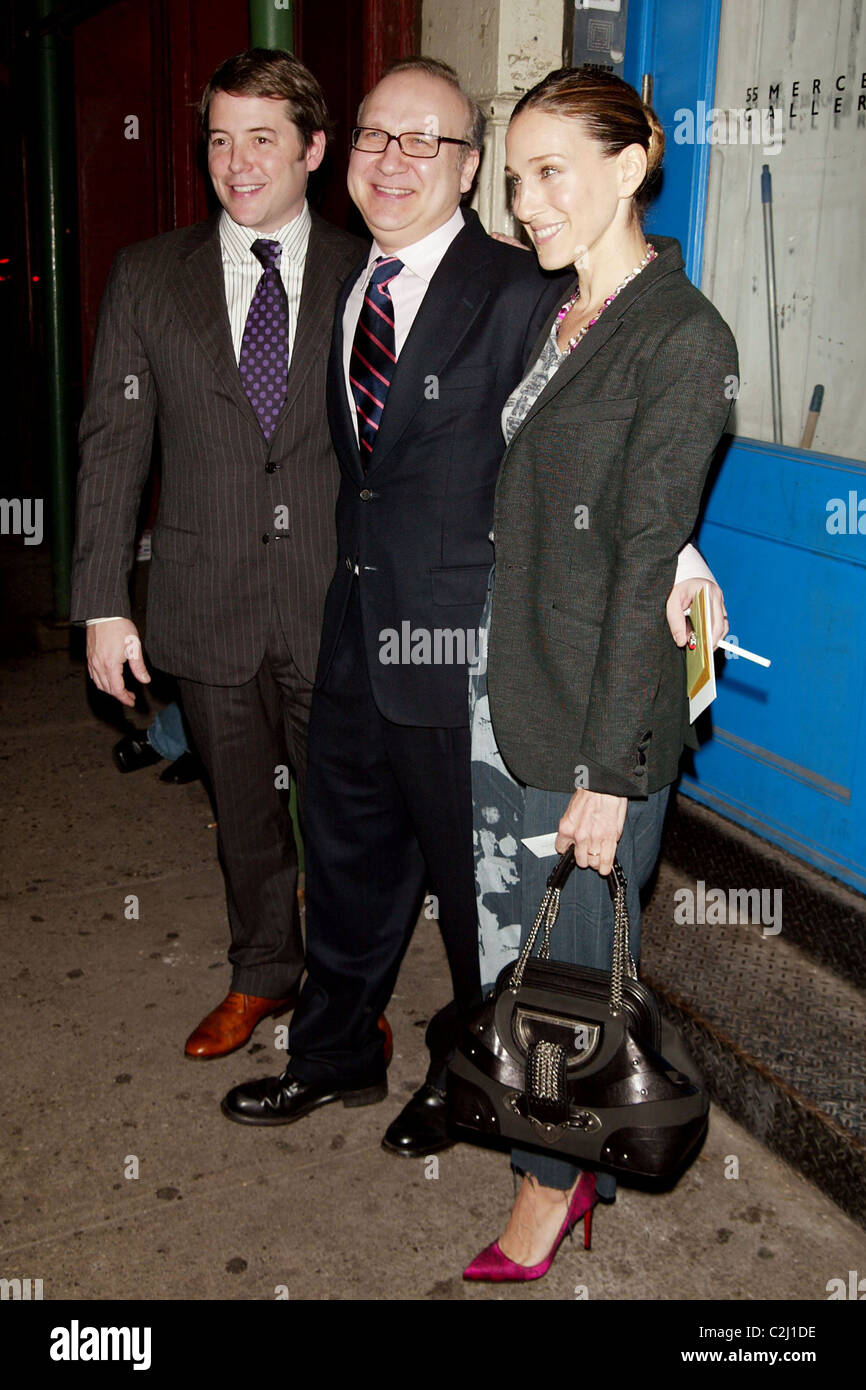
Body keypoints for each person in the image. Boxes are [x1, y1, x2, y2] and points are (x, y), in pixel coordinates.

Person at [221, 58, 725, 1157]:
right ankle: (334, 1051)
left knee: (472, 892)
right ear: (339, 155)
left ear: (464, 169)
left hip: (467, 652)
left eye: (426, 143)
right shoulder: (343, 276)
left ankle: (466, 1075)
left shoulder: (523, 286)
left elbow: (595, 437)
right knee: (347, 861)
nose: (391, 162)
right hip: (352, 630)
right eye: (371, 138)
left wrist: (678, 551)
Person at [460, 67, 738, 1282]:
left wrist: (613, 775)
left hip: (593, 712)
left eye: (548, 171)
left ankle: (551, 1180)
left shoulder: (682, 337)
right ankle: (561, 1159)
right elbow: (601, 506)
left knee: (570, 969)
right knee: (527, 947)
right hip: (520, 679)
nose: (524, 201)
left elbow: (635, 549)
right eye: (514, 177)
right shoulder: (556, 310)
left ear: (631, 165)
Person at [71, 49, 365, 1059]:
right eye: (220, 141)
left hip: (332, 600)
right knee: (241, 810)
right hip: (205, 599)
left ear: (313, 150)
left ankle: (345, 992)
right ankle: (260, 974)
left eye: (263, 140)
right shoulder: (150, 276)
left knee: (343, 818)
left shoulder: (366, 268)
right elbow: (115, 442)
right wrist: (103, 598)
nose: (238, 165)